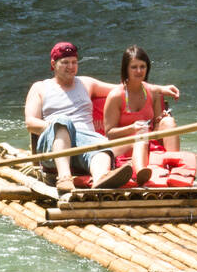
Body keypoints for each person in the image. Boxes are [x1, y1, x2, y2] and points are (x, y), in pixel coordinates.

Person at [25, 42, 178, 192]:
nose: (70, 67)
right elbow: (30, 122)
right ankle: (64, 178)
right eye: (65, 62)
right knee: (64, 121)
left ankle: (100, 179)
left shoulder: (86, 83)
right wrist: (62, 128)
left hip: (88, 143)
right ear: (53, 64)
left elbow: (126, 88)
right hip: (56, 145)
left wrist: (161, 89)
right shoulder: (40, 87)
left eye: (74, 62)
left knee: (102, 148)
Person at [103, 45, 181, 181]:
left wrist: (160, 120)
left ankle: (174, 171)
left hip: (148, 142)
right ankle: (140, 172)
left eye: (142, 66)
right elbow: (109, 133)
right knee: (140, 135)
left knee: (169, 122)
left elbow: (156, 129)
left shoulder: (153, 92)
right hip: (124, 146)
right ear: (126, 69)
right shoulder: (116, 96)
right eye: (134, 67)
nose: (139, 71)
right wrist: (132, 128)